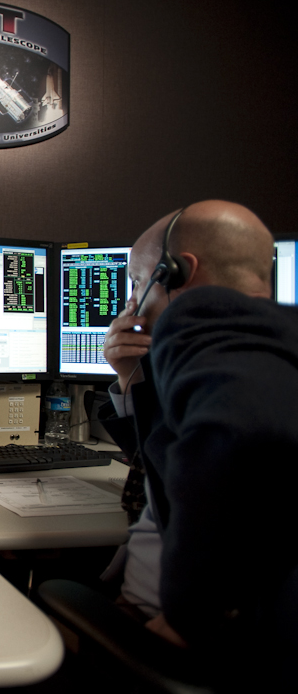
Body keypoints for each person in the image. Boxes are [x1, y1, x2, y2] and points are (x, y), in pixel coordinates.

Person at [100, 200, 298, 686]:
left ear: (178, 270)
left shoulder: (203, 320)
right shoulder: (272, 342)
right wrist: (133, 380)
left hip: (167, 633)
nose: (132, 304)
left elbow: (246, 437)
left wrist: (193, 615)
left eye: (136, 281)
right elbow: (171, 465)